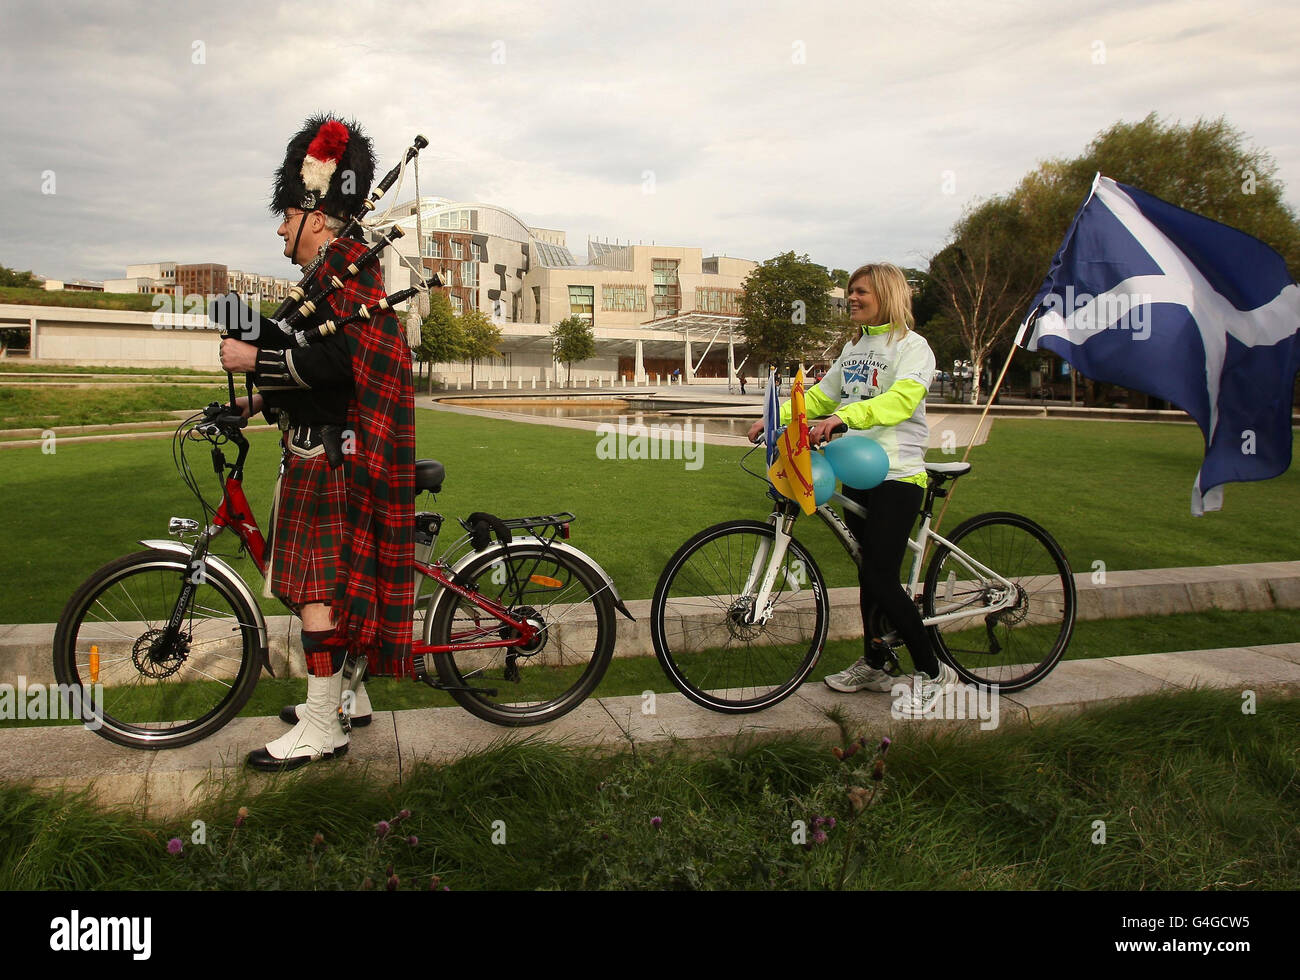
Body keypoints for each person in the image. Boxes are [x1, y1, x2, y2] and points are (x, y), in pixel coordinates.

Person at [218, 114, 416, 770]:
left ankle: (324, 726)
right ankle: (343, 701)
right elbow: (311, 358)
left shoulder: (344, 276)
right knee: (326, 589)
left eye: (286, 215)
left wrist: (255, 363)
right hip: (320, 450)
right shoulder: (333, 276)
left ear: (318, 216)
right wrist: (255, 368)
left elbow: (340, 369)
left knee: (319, 594)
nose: (279, 228)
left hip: (333, 459)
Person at [746, 262, 960, 717]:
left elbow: (902, 399)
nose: (852, 299)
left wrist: (847, 419)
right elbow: (823, 396)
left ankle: (934, 670)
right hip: (858, 472)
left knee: (881, 575)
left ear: (885, 292)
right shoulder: (854, 347)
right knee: (868, 573)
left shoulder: (914, 347)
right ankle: (877, 663)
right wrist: (776, 417)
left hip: (898, 474)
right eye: (850, 293)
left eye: (860, 292)